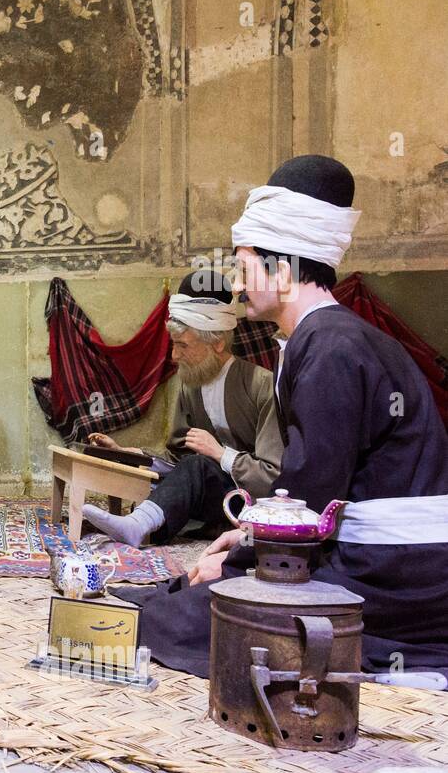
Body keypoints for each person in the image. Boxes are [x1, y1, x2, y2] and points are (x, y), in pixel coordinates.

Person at [116, 155, 448, 679]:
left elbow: (309, 499)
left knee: (186, 620)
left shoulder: (330, 349)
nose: (237, 286)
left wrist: (240, 559)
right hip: (388, 561)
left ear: (284, 271)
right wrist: (245, 541)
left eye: (244, 269)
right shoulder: (327, 338)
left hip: (389, 574)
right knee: (184, 597)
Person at [83, 269, 282, 546]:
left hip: (252, 502)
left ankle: (139, 525)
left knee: (198, 465)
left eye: (183, 346)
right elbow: (178, 458)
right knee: (184, 470)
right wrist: (130, 454)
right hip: (209, 495)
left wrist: (220, 454)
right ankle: (143, 525)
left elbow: (274, 475)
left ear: (217, 343)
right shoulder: (191, 384)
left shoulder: (262, 385)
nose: (175, 356)